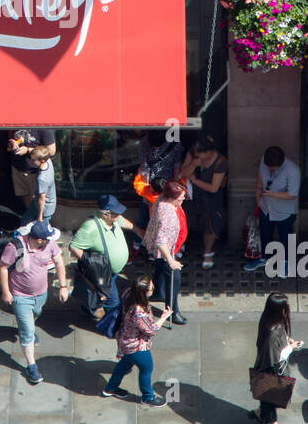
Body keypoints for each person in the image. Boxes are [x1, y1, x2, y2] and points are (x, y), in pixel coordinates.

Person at [0, 220, 68, 385]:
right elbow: (2, 267)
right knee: (27, 332)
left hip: (41, 294)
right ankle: (32, 366)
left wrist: (63, 286)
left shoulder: (49, 244)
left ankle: (27, 327)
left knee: (35, 315)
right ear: (39, 239)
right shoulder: (14, 247)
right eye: (47, 238)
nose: (50, 240)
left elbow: (59, 262)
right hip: (21, 297)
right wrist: (6, 291)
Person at [101, 274, 171, 406]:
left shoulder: (128, 293)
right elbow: (151, 330)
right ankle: (148, 397)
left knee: (123, 365)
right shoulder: (139, 313)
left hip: (125, 340)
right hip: (137, 347)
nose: (153, 287)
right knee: (146, 369)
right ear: (143, 293)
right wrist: (164, 317)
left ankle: (110, 388)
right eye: (151, 288)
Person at [70, 195, 142, 319]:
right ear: (105, 214)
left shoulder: (113, 219)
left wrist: (138, 230)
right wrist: (92, 262)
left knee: (98, 295)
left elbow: (123, 221)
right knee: (113, 303)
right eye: (116, 213)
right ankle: (112, 328)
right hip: (103, 274)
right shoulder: (90, 227)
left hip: (112, 273)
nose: (119, 215)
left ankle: (87, 308)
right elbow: (73, 247)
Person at [251, 292, 301, 424]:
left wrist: (287, 339)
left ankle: (260, 413)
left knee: (266, 394)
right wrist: (290, 348)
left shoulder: (269, 321)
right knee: (271, 396)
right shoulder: (273, 334)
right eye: (286, 307)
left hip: (264, 366)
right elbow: (276, 358)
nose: (288, 309)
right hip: (271, 370)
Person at [246, 146, 300, 275]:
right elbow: (260, 180)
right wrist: (258, 197)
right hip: (266, 208)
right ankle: (264, 258)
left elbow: (292, 194)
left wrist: (271, 194)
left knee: (285, 237)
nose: (269, 169)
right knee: (265, 234)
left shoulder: (292, 170)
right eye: (268, 166)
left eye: (273, 168)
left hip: (285, 211)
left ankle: (286, 262)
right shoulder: (264, 161)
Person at [144, 181, 188, 325]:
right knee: (174, 278)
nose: (183, 200)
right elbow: (160, 241)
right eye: (180, 198)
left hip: (159, 250)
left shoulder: (162, 198)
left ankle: (158, 293)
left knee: (159, 270)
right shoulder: (167, 216)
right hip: (164, 252)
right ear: (171, 197)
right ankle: (173, 312)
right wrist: (171, 260)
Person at [181, 135, 228, 269]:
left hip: (211, 197)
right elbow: (184, 173)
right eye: (195, 152)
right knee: (187, 220)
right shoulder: (194, 153)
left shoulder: (220, 162)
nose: (196, 155)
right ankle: (181, 247)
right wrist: (194, 164)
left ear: (208, 152)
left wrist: (195, 180)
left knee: (211, 225)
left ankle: (208, 252)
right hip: (192, 194)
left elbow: (214, 188)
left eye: (199, 154)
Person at [8, 128, 56, 214]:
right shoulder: (15, 119)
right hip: (17, 167)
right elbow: (10, 136)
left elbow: (51, 151)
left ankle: (36, 220)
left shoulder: (44, 127)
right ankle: (30, 216)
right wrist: (12, 141)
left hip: (34, 171)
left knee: (36, 199)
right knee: (25, 196)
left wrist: (28, 150)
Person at [27, 146, 58, 226]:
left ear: (42, 160)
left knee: (40, 231)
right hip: (45, 204)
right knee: (25, 221)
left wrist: (40, 216)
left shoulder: (42, 178)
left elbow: (42, 199)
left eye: (33, 160)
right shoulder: (49, 161)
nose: (31, 161)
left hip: (44, 209)